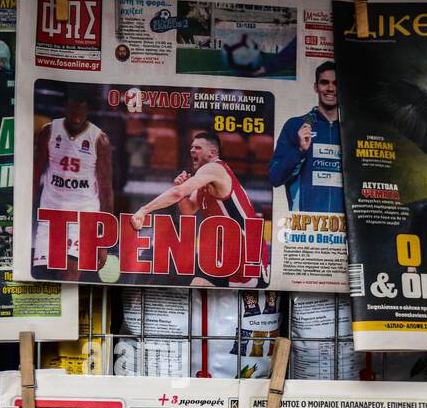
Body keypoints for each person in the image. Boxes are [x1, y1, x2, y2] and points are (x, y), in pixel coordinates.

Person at [130, 129, 262, 287]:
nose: (192, 150)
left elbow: (176, 193)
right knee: (197, 288)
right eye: (192, 147)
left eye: (198, 147)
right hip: (225, 255)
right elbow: (189, 210)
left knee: (192, 284)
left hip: (244, 254)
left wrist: (144, 210)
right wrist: (183, 192)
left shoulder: (214, 168)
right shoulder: (206, 180)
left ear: (212, 152)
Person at [31, 86, 114, 279]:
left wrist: (103, 242)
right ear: (64, 108)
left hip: (83, 214)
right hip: (52, 211)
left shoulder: (99, 140)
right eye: (72, 109)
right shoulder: (49, 131)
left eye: (81, 110)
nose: (77, 114)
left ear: (88, 111)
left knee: (71, 272)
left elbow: (106, 191)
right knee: (45, 274)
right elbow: (35, 176)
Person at [269, 61, 342, 213]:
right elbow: (275, 177)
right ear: (316, 87)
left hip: (343, 230)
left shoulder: (351, 132)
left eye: (336, 83)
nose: (330, 88)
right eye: (324, 83)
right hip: (305, 227)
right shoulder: (295, 126)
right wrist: (300, 151)